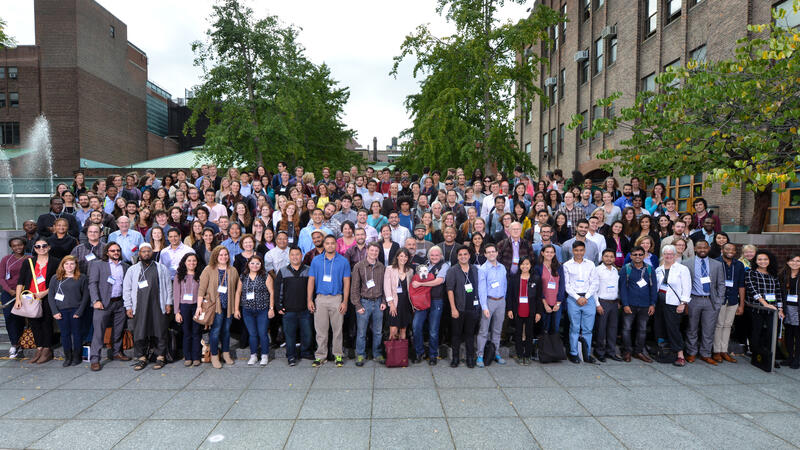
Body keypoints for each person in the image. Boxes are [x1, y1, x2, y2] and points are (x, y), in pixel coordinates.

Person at [123, 243, 173, 371]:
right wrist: (128, 306)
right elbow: (127, 289)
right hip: (140, 306)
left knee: (160, 330)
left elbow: (168, 287)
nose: (146, 253)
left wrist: (168, 303)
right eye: (143, 251)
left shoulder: (161, 268)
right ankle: (141, 357)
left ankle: (161, 356)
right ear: (139, 254)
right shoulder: (132, 270)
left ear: (152, 253)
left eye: (148, 251)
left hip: (158, 304)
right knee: (140, 331)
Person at [307, 234, 351, 367]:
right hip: (320, 298)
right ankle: (320, 355)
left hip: (337, 298)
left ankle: (338, 355)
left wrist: (345, 301)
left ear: (336, 245)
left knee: (338, 330)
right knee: (321, 330)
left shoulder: (343, 261)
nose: (330, 245)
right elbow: (311, 281)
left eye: (333, 243)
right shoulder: (316, 260)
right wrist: (309, 299)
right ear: (324, 245)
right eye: (327, 243)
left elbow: (347, 282)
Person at [682, 240, 726, 365]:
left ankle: (705, 354)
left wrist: (719, 302)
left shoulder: (717, 264)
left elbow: (721, 284)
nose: (702, 250)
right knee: (692, 328)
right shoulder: (686, 263)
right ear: (695, 249)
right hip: (693, 300)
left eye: (705, 247)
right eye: (699, 247)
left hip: (710, 301)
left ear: (709, 249)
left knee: (709, 329)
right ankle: (691, 353)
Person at [15, 238, 59, 364]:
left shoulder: (55, 262)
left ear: (49, 247)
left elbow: (59, 280)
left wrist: (46, 292)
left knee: (46, 322)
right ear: (34, 249)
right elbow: (20, 282)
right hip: (30, 297)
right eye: (38, 246)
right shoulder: (28, 262)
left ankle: (47, 349)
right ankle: (39, 348)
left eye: (44, 246)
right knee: (34, 324)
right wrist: (18, 299)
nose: (41, 248)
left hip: (47, 296)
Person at [197, 246, 240, 369]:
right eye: (221, 255)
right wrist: (199, 306)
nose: (223, 257)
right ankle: (214, 355)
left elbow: (237, 289)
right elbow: (201, 289)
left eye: (225, 254)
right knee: (215, 332)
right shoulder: (208, 269)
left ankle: (226, 354)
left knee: (226, 331)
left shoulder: (233, 270)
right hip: (215, 307)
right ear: (215, 256)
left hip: (229, 307)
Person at [618, 246, 658, 363]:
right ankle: (627, 351)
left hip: (645, 305)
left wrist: (652, 304)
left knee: (642, 329)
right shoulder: (626, 269)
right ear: (631, 256)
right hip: (630, 305)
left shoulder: (650, 269)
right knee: (626, 329)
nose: (638, 257)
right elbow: (622, 289)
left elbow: (653, 287)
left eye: (640, 254)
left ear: (644, 256)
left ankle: (638, 351)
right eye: (635, 254)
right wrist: (625, 304)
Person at [48, 256, 89, 367]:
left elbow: (86, 296)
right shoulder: (55, 278)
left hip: (76, 310)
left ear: (76, 265)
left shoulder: (82, 278)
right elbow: (51, 296)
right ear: (62, 265)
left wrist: (80, 311)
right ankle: (68, 357)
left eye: (72, 264)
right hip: (61, 311)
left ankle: (77, 356)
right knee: (65, 335)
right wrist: (54, 311)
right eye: (66, 264)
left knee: (77, 334)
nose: (69, 266)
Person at [350, 242, 386, 366]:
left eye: (376, 251)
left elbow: (384, 286)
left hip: (378, 303)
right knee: (361, 332)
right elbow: (354, 288)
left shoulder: (381, 267)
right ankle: (360, 355)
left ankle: (377, 353)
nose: (374, 253)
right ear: (367, 251)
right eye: (372, 250)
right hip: (364, 302)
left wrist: (384, 301)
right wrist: (358, 305)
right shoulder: (359, 266)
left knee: (377, 331)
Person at [745, 250, 782, 368]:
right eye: (760, 259)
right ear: (755, 261)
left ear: (769, 261)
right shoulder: (751, 273)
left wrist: (780, 309)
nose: (763, 262)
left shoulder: (773, 275)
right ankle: (757, 356)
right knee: (757, 332)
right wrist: (765, 304)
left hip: (772, 310)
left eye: (765, 259)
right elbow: (753, 290)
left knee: (771, 333)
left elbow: (778, 293)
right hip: (758, 309)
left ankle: (769, 358)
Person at [563, 241, 599, 363]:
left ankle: (587, 354)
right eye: (576, 250)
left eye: (581, 250)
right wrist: (577, 297)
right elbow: (566, 285)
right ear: (573, 251)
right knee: (574, 327)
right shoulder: (567, 265)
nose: (579, 253)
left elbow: (594, 283)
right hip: (573, 299)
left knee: (588, 329)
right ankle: (574, 353)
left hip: (588, 299)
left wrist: (586, 296)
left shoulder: (590, 265)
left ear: (584, 251)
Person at [236, 254, 274, 366]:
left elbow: (272, 292)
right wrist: (236, 309)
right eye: (252, 263)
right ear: (248, 264)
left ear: (261, 264)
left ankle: (264, 355)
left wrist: (271, 308)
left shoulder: (266, 276)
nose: (255, 265)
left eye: (257, 263)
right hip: (247, 310)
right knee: (252, 334)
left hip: (263, 309)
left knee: (262, 333)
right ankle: (253, 355)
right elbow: (238, 292)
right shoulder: (243, 276)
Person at [446, 247, 481, 368]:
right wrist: (453, 308)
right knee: (456, 334)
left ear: (469, 256)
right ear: (457, 257)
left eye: (465, 254)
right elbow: (449, 290)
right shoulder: (453, 270)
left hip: (473, 308)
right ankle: (455, 358)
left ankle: (470, 358)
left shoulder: (475, 269)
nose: (463, 256)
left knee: (470, 335)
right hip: (459, 308)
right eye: (460, 254)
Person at [475, 243, 507, 366]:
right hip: (489, 301)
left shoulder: (502, 268)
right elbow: (481, 289)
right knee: (484, 330)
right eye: (488, 252)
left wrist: (504, 299)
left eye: (493, 251)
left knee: (497, 330)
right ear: (485, 254)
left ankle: (496, 353)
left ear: (497, 253)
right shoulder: (483, 269)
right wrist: (484, 307)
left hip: (501, 301)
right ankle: (480, 355)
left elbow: (505, 285)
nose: (491, 254)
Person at [714, 243, 746, 363]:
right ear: (722, 250)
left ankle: (724, 351)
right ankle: (716, 351)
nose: (730, 251)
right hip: (719, 300)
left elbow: (741, 285)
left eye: (733, 249)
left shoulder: (739, 265)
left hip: (733, 300)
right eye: (728, 249)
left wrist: (741, 304)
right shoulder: (715, 262)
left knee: (728, 325)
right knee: (719, 325)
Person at [506, 256, 540, 365]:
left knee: (530, 333)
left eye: (527, 264)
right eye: (523, 264)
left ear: (531, 266)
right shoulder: (514, 279)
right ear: (519, 265)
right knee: (518, 332)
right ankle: (520, 354)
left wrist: (538, 312)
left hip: (531, 310)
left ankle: (528, 354)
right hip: (518, 309)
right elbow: (510, 296)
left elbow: (539, 297)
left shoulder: (536, 278)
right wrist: (510, 309)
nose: (525, 266)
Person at [1, 238, 28, 359]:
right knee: (9, 317)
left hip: (24, 292)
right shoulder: (6, 259)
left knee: (21, 318)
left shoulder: (29, 259)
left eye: (20, 245)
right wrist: (10, 290)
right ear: (11, 247)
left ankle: (21, 342)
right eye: (14, 246)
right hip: (9, 292)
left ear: (24, 245)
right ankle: (14, 343)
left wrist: (23, 290)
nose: (18, 247)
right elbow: (1, 278)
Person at [173, 253, 202, 367]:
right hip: (184, 307)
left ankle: (196, 357)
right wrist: (177, 312)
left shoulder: (200, 275)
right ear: (184, 262)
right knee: (186, 333)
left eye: (194, 261)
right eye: (189, 261)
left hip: (196, 306)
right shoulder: (179, 276)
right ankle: (188, 357)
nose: (192, 263)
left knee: (196, 332)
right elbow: (176, 294)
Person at [593, 249, 621, 362]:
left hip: (614, 303)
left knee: (613, 329)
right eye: (606, 256)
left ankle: (611, 351)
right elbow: (594, 289)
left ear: (614, 258)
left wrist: (618, 301)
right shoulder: (597, 270)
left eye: (611, 256)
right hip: (602, 302)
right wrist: (597, 304)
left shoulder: (615, 270)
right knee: (601, 329)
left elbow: (617, 287)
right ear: (602, 257)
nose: (609, 258)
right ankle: (599, 351)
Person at [383, 248, 414, 341]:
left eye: (405, 256)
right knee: (393, 331)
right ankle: (392, 354)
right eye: (401, 256)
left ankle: (402, 354)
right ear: (397, 257)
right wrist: (391, 304)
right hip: (395, 303)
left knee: (403, 330)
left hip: (406, 304)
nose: (403, 258)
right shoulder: (389, 269)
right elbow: (386, 287)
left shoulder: (410, 271)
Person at [779, 254, 800, 369]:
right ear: (787, 262)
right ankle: (790, 357)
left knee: (798, 334)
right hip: (787, 308)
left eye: (798, 261)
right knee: (789, 334)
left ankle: (797, 358)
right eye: (792, 260)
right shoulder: (783, 275)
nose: (795, 263)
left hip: (798, 309)